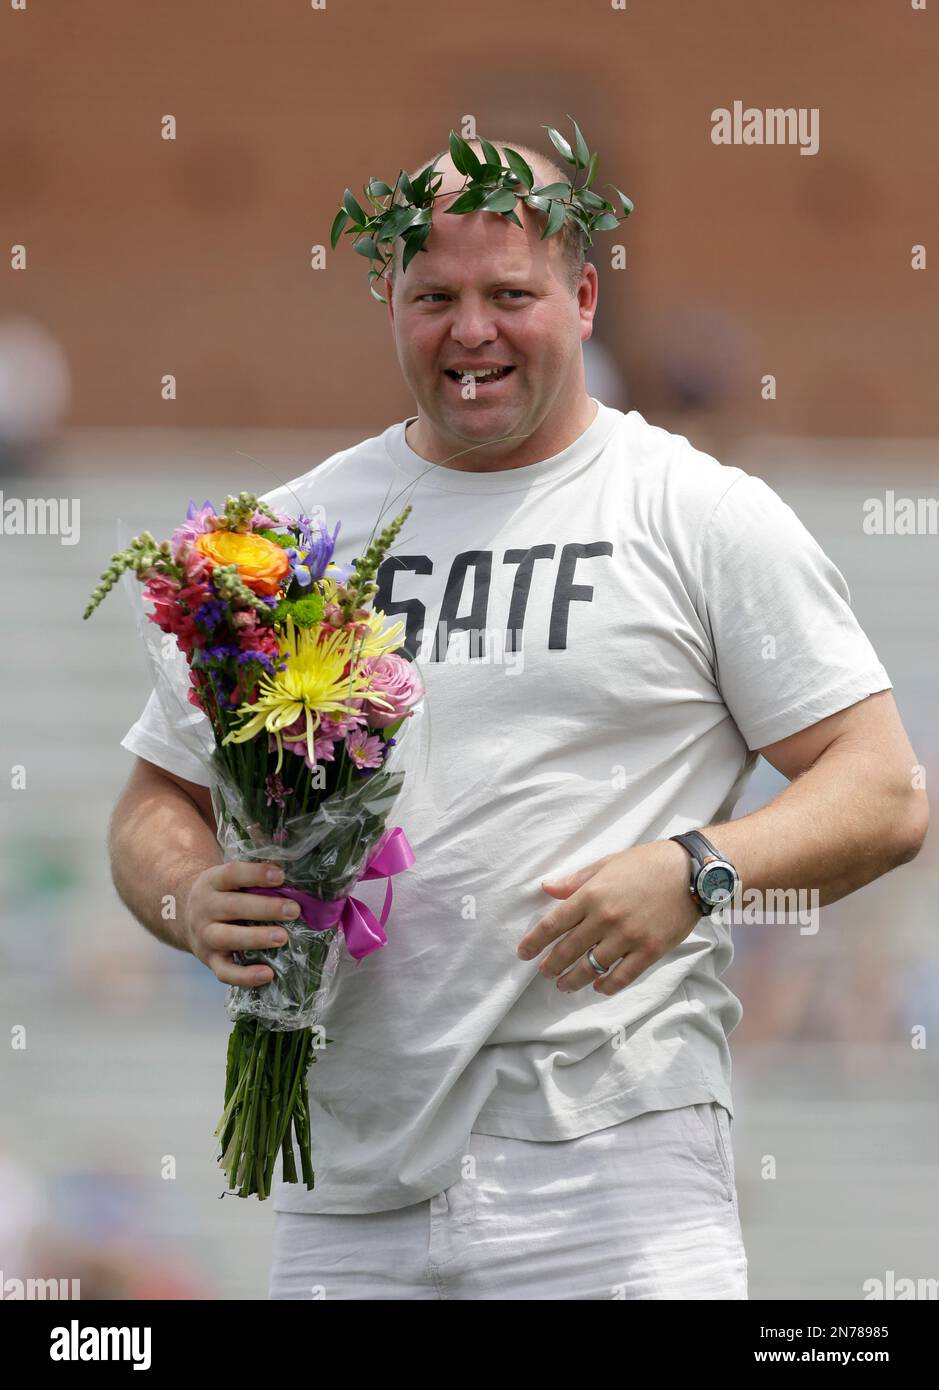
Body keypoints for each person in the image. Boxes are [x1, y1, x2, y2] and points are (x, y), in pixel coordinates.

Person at [110, 136, 927, 1300]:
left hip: (616, 1181)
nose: (471, 331)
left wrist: (697, 866)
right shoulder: (287, 539)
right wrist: (188, 895)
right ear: (387, 299)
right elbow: (156, 800)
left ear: (584, 297)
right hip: (347, 1185)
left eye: (510, 294)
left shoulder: (692, 512)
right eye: (434, 296)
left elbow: (885, 787)